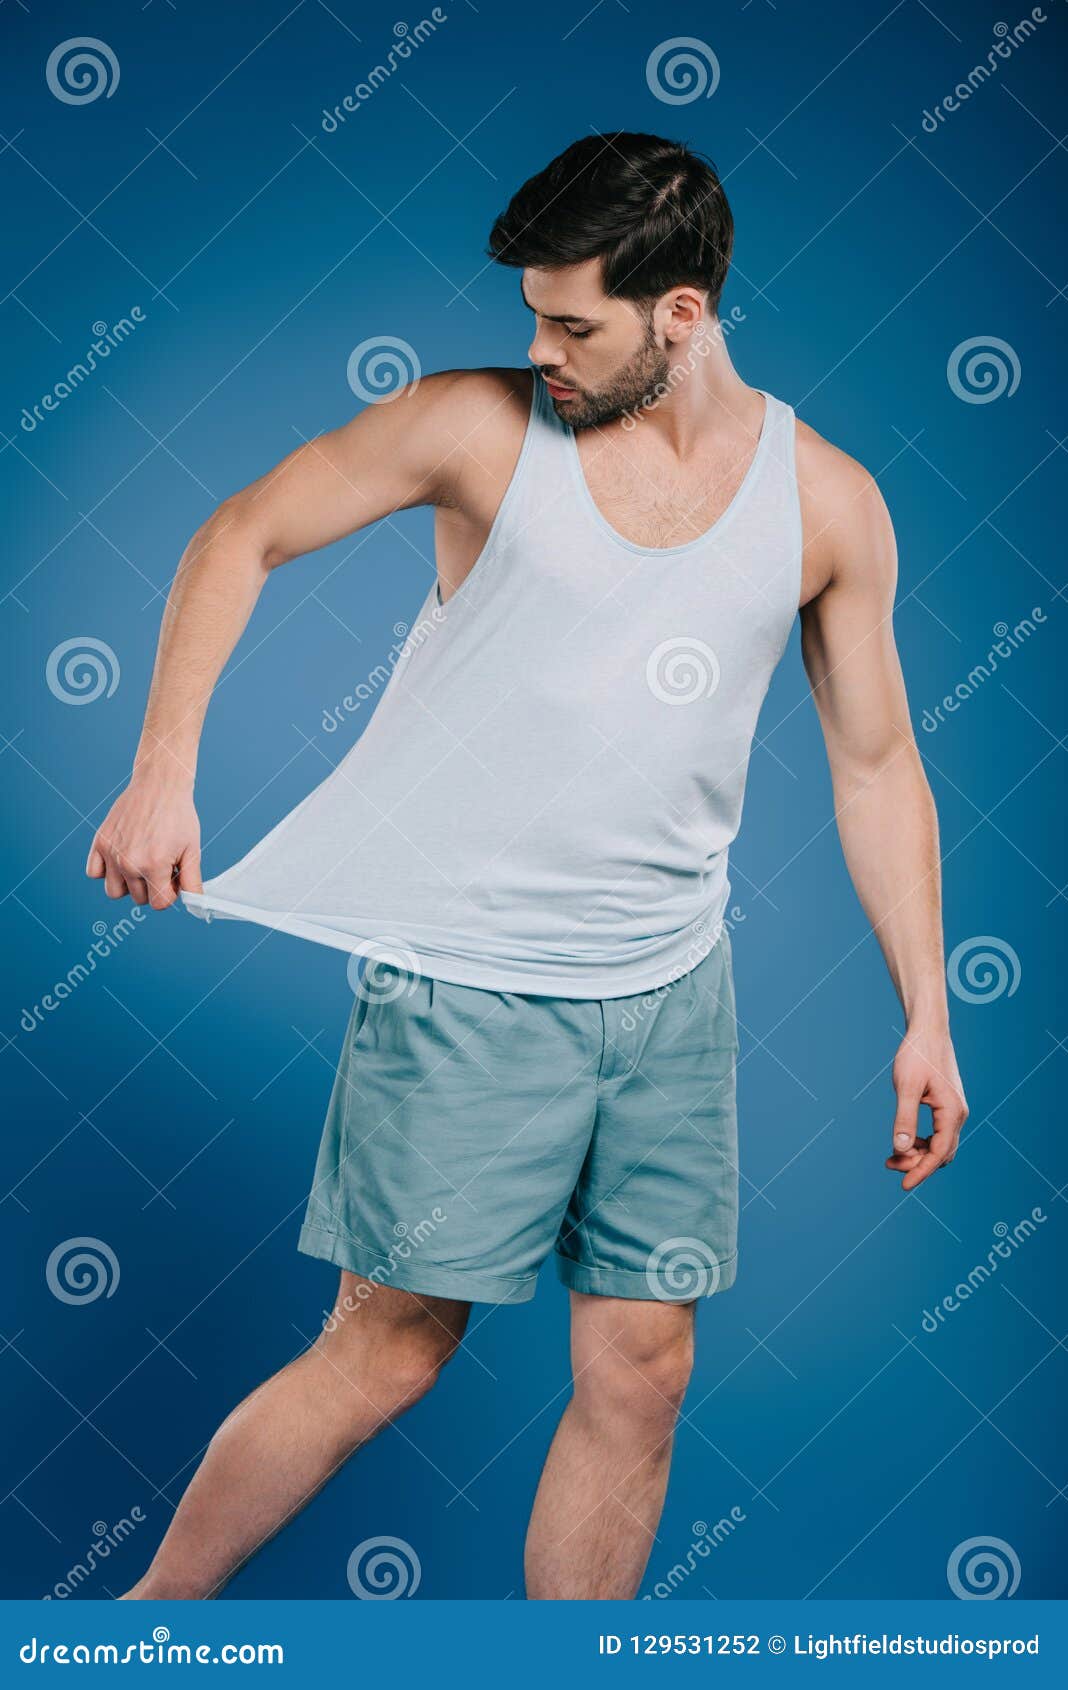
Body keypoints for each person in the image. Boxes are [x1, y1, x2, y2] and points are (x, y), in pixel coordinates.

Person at [86, 132, 968, 1601]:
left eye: (576, 323)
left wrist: (926, 1007)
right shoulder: (472, 429)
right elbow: (241, 533)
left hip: (673, 998)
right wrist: (162, 767)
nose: (540, 348)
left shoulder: (829, 504)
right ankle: (139, 1628)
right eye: (531, 316)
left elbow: (877, 766)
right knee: (389, 1346)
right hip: (468, 991)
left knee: (644, 1365)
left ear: (681, 313)